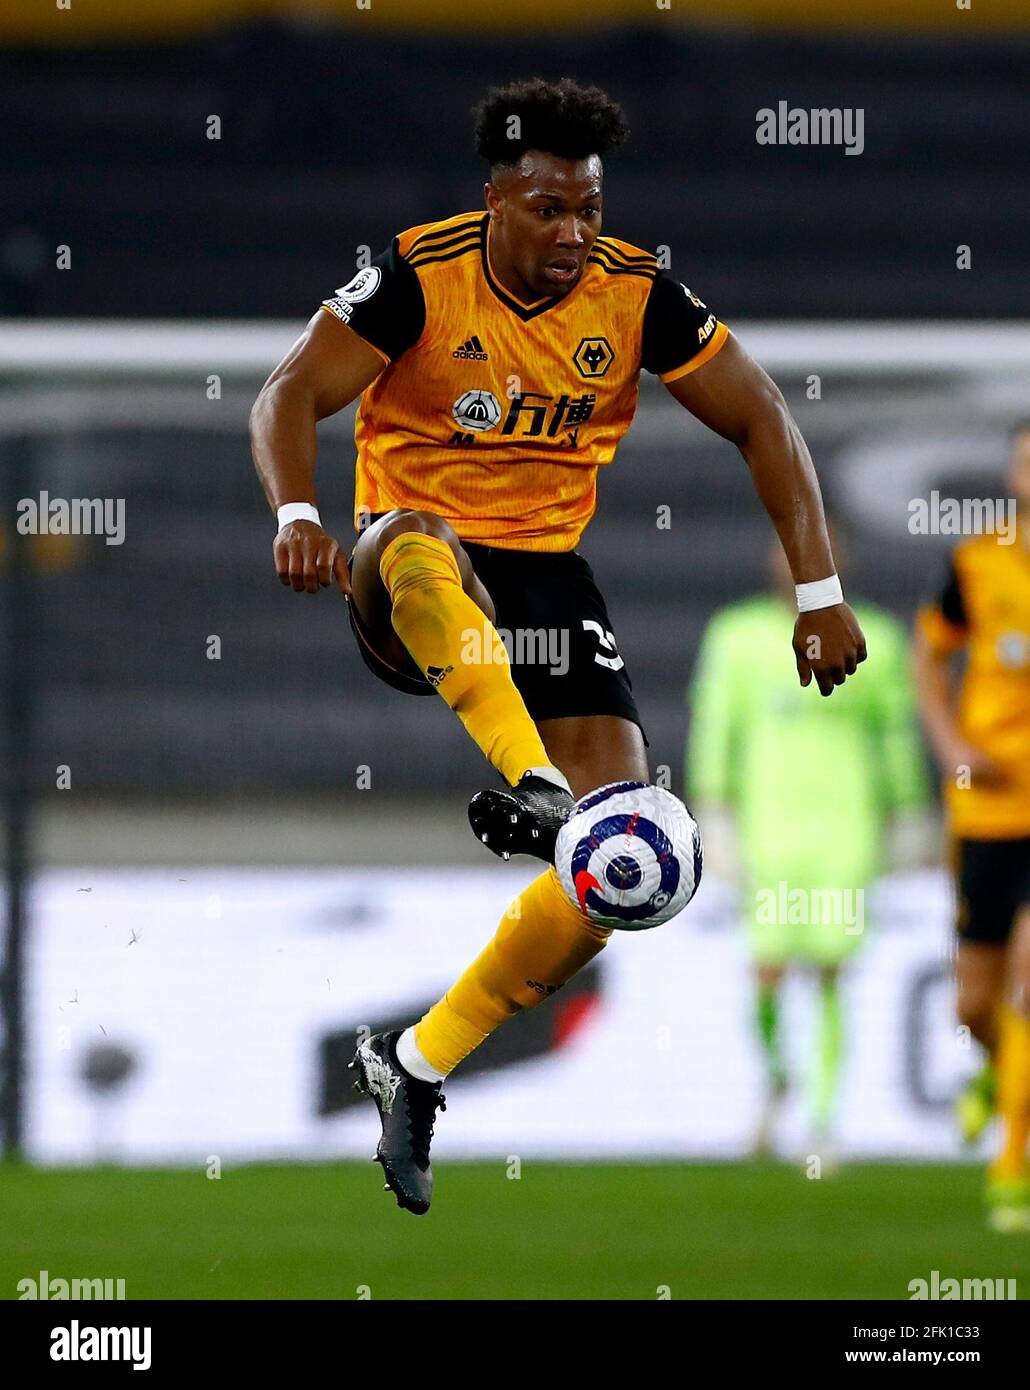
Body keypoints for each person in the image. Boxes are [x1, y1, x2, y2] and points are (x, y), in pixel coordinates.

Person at [251, 77, 866, 1214]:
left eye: (586, 207)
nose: (572, 233)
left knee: (621, 870)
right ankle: (533, 784)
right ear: (494, 199)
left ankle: (418, 1062)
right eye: (546, 209)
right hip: (407, 565)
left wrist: (819, 591)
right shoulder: (413, 276)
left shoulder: (636, 295)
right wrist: (298, 516)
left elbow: (762, 415)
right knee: (417, 539)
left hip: (546, 577)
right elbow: (289, 394)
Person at [689, 531, 929, 1155]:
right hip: (768, 827)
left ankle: (823, 1124)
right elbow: (717, 728)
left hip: (847, 826)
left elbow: (897, 733)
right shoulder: (734, 636)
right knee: (765, 975)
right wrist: (712, 810)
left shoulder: (875, 636)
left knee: (830, 973)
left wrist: (909, 813)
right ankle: (777, 1080)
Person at [914, 423, 1030, 1231]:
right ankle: (995, 1074)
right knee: (974, 1002)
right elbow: (929, 656)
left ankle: (1012, 1165)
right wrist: (954, 746)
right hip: (985, 810)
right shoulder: (977, 562)